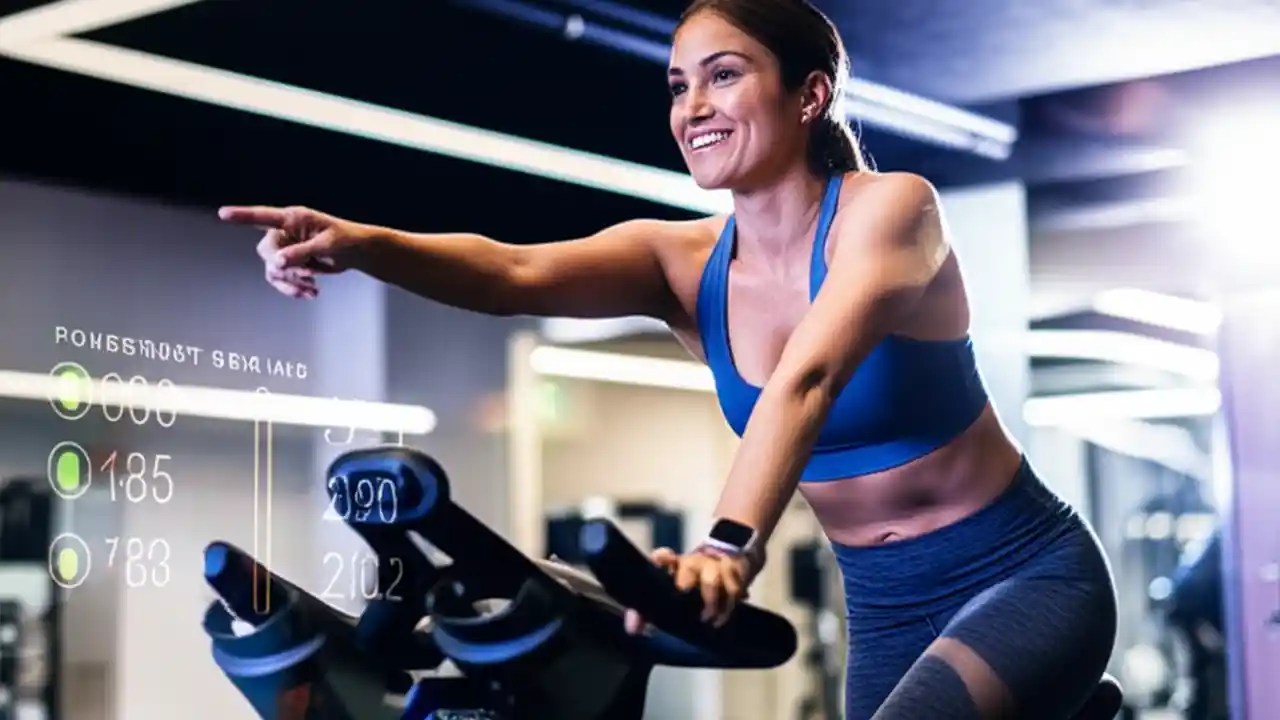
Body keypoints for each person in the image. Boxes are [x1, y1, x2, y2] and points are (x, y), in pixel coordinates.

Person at [218, 0, 1118, 717]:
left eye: (724, 77)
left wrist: (728, 546)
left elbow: (808, 378)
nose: (693, 108)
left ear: (809, 96)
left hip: (1022, 572)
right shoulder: (680, 264)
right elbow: (514, 271)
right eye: (679, 85)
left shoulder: (891, 211)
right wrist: (360, 242)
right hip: (881, 604)